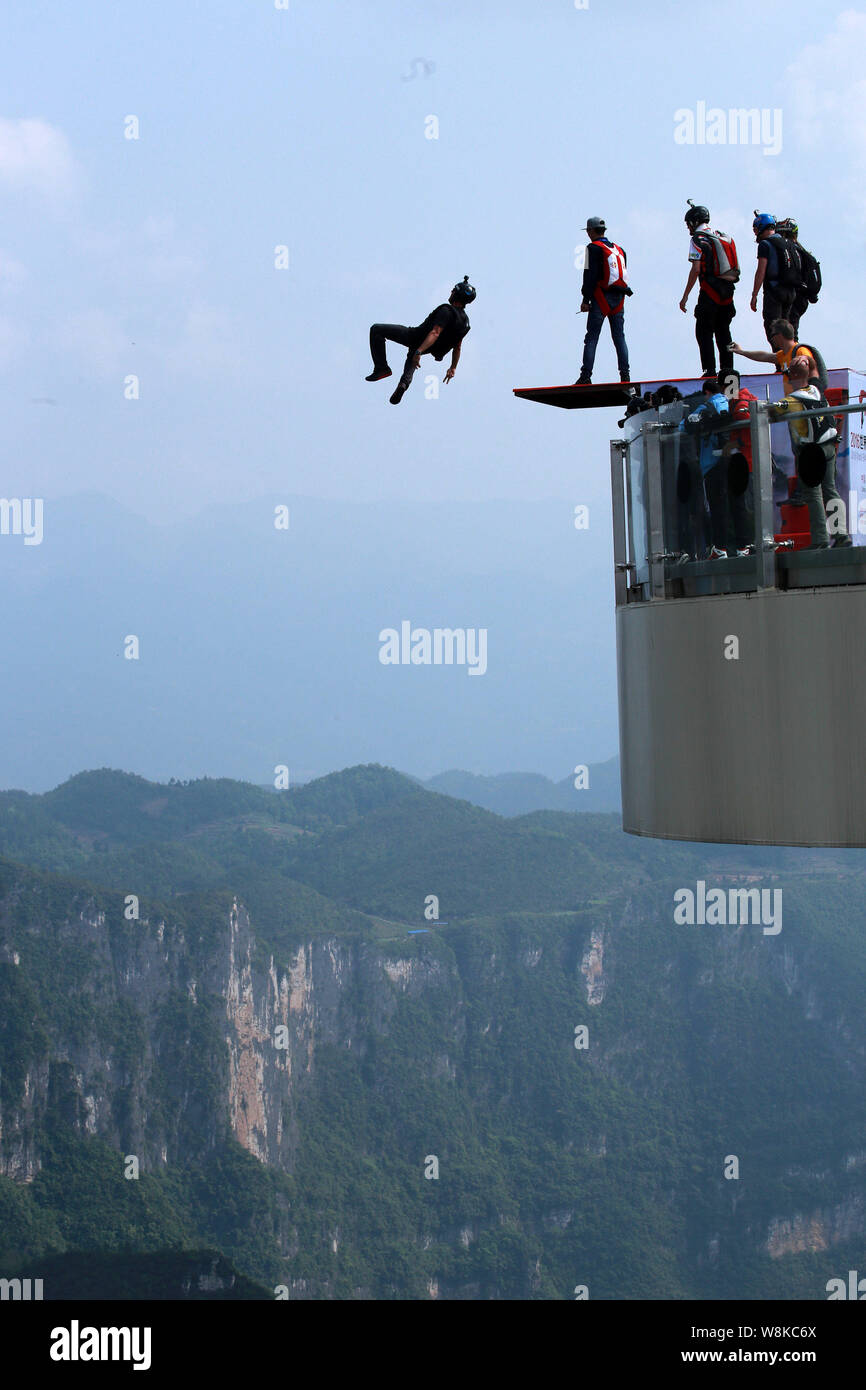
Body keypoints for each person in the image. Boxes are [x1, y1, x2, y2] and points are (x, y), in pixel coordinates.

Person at [768, 356, 850, 549]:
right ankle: (841, 537)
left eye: (788, 377)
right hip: (830, 446)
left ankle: (820, 540)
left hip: (810, 451)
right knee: (830, 490)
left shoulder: (791, 400)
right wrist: (808, 361)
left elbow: (771, 411)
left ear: (794, 377)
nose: (786, 381)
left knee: (813, 494)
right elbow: (815, 370)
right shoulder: (816, 390)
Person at [367, 276, 475, 404]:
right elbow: (457, 346)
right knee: (413, 353)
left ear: (456, 295)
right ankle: (404, 383)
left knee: (376, 330)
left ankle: (381, 368)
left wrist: (419, 351)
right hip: (432, 347)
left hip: (417, 337)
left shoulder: (446, 310)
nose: (451, 292)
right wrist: (453, 367)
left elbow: (435, 333)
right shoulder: (465, 323)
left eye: (453, 291)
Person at [679, 202, 738, 378]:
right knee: (724, 333)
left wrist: (685, 296)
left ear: (694, 221)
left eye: (688, 223)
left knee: (704, 331)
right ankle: (728, 372)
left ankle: (709, 371)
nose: (688, 227)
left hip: (709, 293)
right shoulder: (721, 236)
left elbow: (696, 269)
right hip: (728, 293)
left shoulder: (697, 239)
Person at [575, 217, 631, 385]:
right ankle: (625, 375)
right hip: (620, 299)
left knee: (592, 337)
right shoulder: (620, 250)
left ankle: (586, 376)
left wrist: (585, 299)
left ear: (591, 231)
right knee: (619, 337)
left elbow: (589, 276)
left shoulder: (592, 248)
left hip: (601, 298)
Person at [684, 378, 732, 559]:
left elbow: (684, 426)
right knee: (734, 505)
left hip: (712, 462)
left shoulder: (707, 407)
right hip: (733, 459)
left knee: (717, 507)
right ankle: (741, 548)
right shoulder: (728, 404)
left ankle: (720, 548)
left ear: (706, 393)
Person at [750, 212, 803, 345]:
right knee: (786, 330)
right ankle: (789, 360)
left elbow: (761, 270)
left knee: (773, 330)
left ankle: (781, 363)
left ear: (762, 227)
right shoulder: (788, 243)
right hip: (791, 292)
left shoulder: (765, 244)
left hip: (774, 292)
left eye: (756, 229)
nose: (756, 233)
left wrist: (754, 295)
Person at [719, 368, 756, 554]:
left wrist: (735, 442)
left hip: (746, 463)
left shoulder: (740, 403)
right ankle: (749, 545)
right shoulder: (745, 398)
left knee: (743, 506)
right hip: (750, 462)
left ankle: (747, 546)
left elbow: (751, 426)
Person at [731, 319, 819, 391]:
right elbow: (763, 356)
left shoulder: (801, 351)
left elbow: (813, 375)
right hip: (794, 401)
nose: (771, 338)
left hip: (803, 404)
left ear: (779, 335)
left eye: (772, 334)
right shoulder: (783, 354)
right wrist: (741, 352)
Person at [776, 218, 821, 337]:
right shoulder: (802, 251)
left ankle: (793, 354)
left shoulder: (791, 251)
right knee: (790, 330)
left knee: (789, 333)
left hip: (797, 296)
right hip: (803, 297)